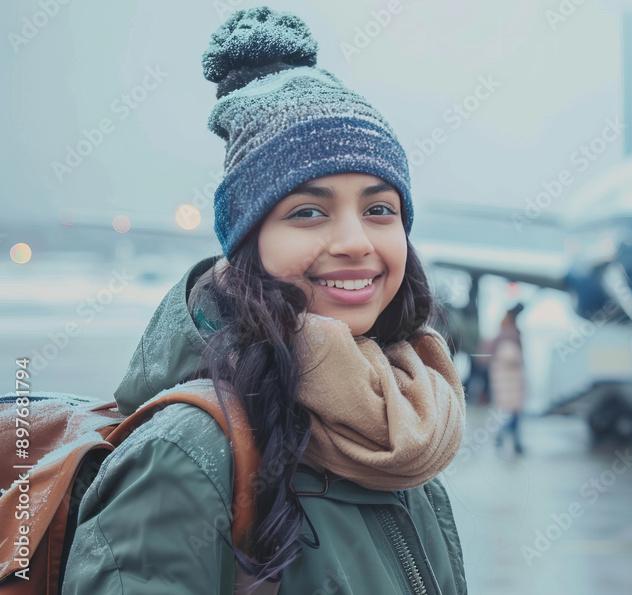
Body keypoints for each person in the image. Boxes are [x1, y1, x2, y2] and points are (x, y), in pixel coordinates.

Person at [62, 7, 467, 594]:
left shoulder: (402, 429)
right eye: (308, 212)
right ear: (249, 244)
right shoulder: (187, 456)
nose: (356, 241)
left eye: (380, 209)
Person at [491, 304, 526, 455]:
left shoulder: (502, 334)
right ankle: (510, 441)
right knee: (512, 414)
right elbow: (510, 356)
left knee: (511, 414)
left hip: (508, 382)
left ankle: (512, 442)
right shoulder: (510, 335)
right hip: (510, 382)